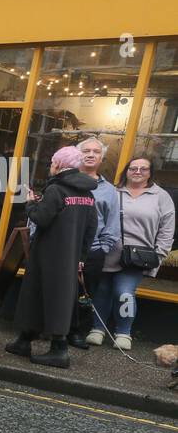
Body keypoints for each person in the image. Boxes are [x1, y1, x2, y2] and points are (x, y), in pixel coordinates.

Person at [5, 146, 99, 368]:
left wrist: (30, 203)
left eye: (52, 163)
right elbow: (91, 227)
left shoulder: (57, 190)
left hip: (47, 254)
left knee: (38, 295)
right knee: (54, 298)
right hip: (70, 255)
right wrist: (81, 256)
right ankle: (24, 340)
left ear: (59, 165)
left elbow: (41, 217)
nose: (51, 167)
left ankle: (59, 350)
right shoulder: (87, 194)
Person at [90, 155, 175, 349]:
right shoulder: (113, 192)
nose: (137, 172)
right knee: (102, 291)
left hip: (138, 257)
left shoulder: (160, 196)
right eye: (133, 168)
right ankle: (97, 329)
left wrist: (159, 254)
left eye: (143, 169)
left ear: (150, 173)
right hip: (107, 252)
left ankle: (123, 333)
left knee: (124, 293)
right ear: (126, 171)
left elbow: (167, 229)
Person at [67, 136, 121, 348]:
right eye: (86, 150)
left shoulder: (109, 190)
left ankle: (76, 334)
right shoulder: (65, 181)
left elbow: (113, 224)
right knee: (57, 289)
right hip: (63, 248)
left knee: (84, 295)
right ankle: (53, 330)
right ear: (77, 155)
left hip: (92, 252)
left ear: (101, 158)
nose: (90, 154)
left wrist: (102, 248)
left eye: (96, 152)